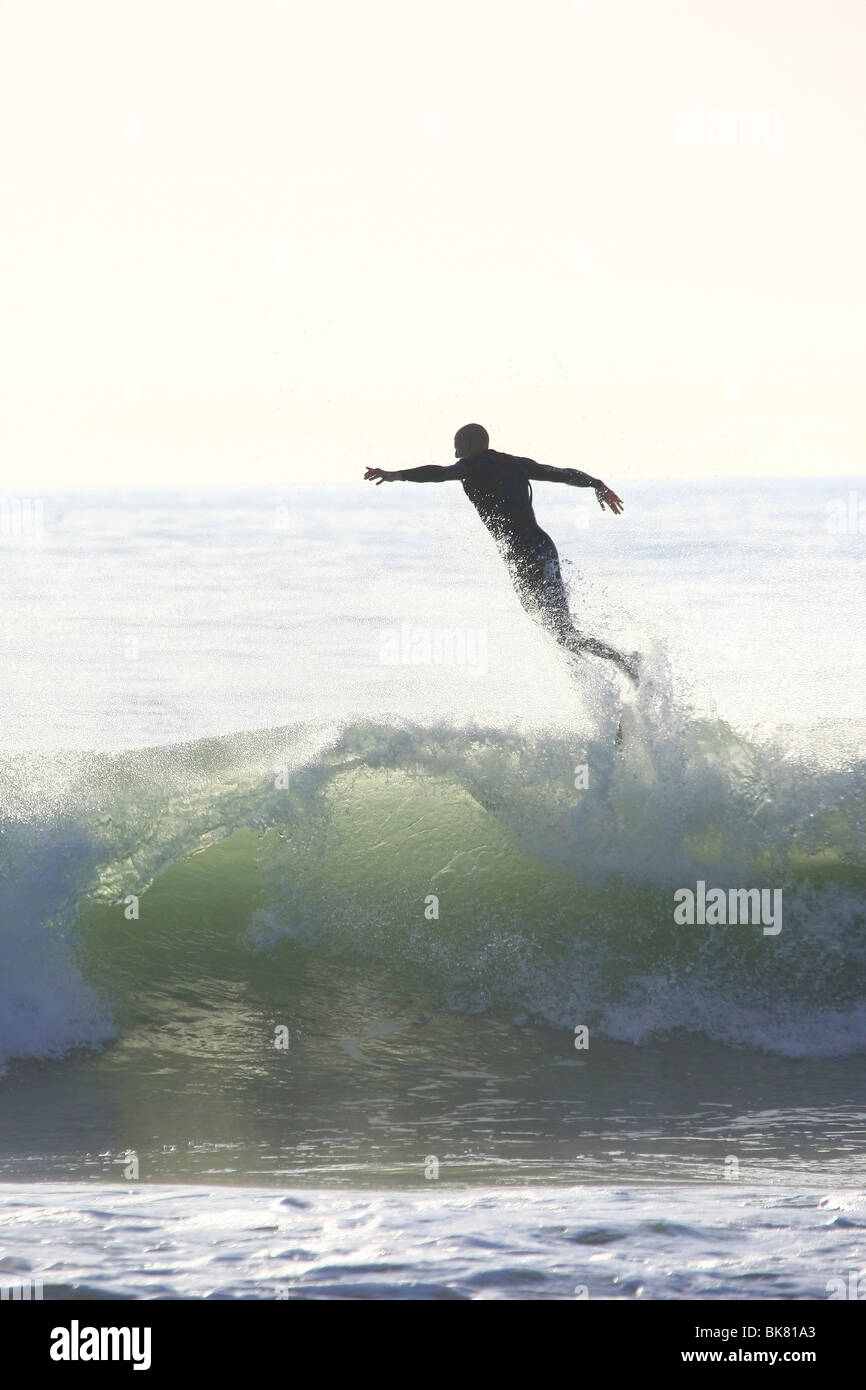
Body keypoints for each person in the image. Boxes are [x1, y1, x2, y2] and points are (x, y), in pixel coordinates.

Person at [365, 423, 640, 684]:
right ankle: (606, 680)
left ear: (469, 445)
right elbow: (559, 473)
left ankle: (624, 662)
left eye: (457, 445)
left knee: (560, 632)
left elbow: (440, 473)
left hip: (527, 554)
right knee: (558, 632)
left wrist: (396, 475)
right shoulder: (514, 463)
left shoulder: (472, 465)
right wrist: (596, 483)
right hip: (539, 548)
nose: (455, 452)